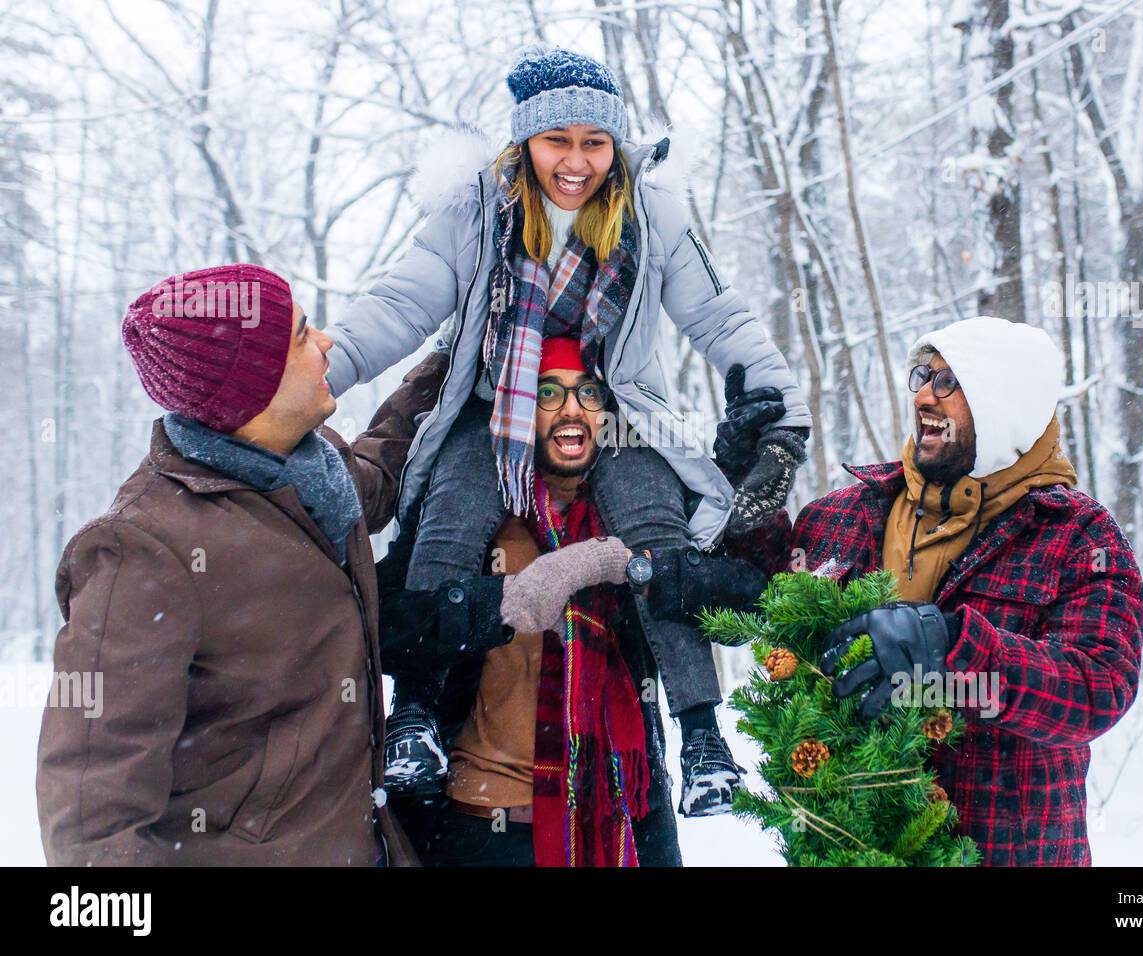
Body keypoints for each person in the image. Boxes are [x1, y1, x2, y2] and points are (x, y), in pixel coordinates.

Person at [323, 47, 811, 815]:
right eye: (558, 142)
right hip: (493, 408)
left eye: (594, 141)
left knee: (657, 537)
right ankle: (413, 714)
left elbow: (720, 316)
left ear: (616, 146)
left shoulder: (653, 217)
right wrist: (312, 378)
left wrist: (783, 412)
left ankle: (704, 740)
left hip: (613, 408)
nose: (576, 161)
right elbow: (398, 307)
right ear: (523, 145)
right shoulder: (475, 213)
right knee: (447, 521)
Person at [35, 264, 449, 865]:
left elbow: (379, 478)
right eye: (304, 336)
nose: (326, 343)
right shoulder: (143, 549)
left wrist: (449, 364)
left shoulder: (311, 471)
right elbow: (89, 817)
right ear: (255, 385)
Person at [740, 316, 1143, 866]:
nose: (926, 397)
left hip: (1002, 853)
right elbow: (759, 610)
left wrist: (953, 646)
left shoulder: (1077, 537)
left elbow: (1098, 687)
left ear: (1004, 401)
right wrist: (745, 491)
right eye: (922, 376)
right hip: (852, 848)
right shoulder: (841, 516)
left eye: (950, 381)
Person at [379, 337, 772, 865]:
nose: (571, 409)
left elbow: (748, 607)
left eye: (588, 393)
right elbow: (382, 620)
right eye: (548, 393)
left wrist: (739, 475)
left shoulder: (641, 509)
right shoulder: (467, 512)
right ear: (520, 407)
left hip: (625, 820)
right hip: (483, 829)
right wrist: (500, 600)